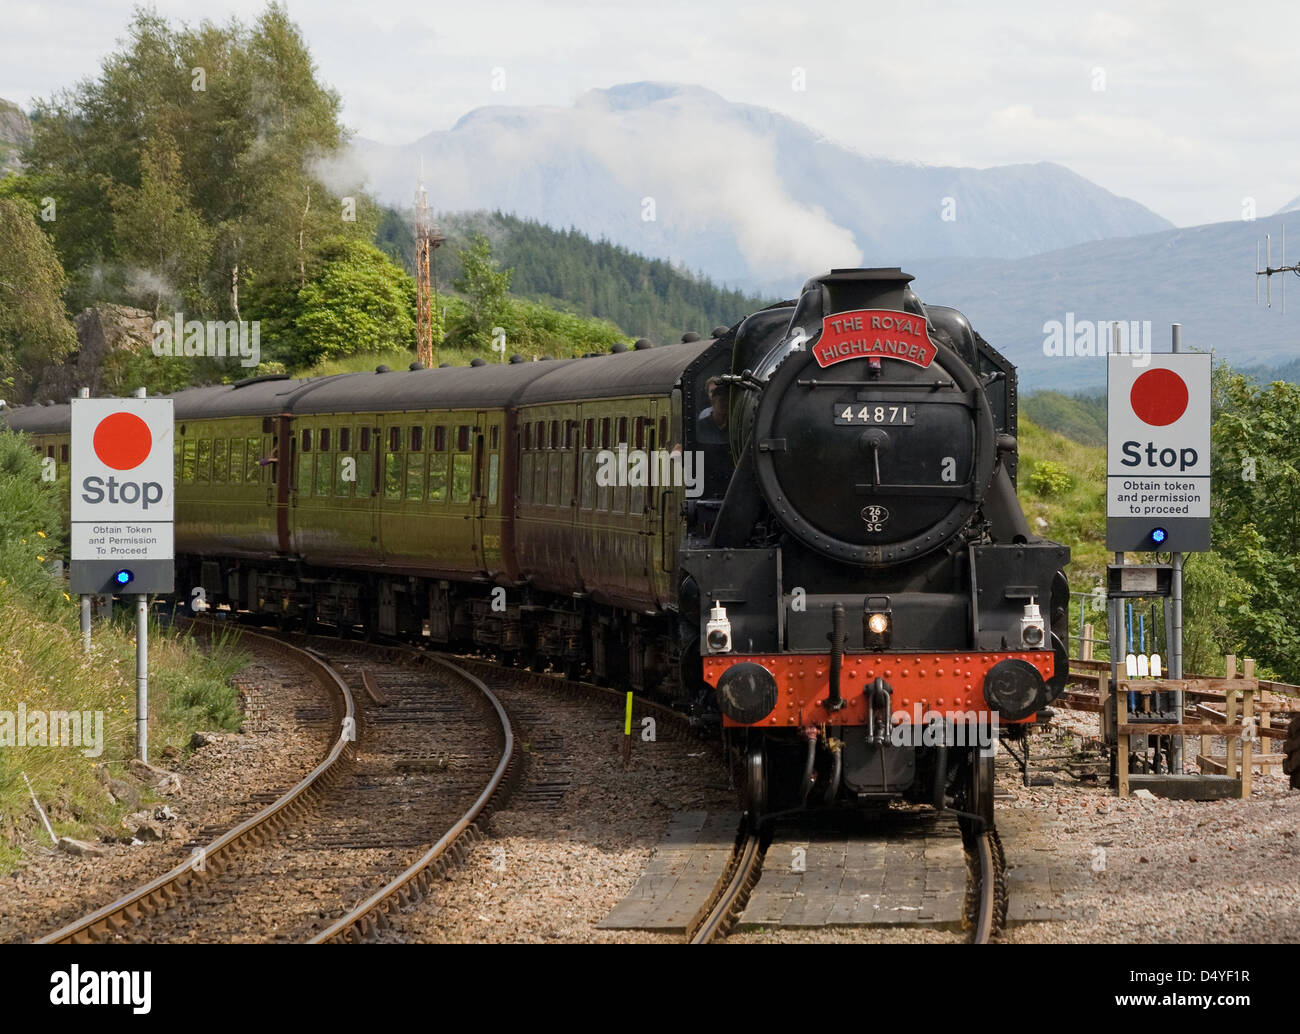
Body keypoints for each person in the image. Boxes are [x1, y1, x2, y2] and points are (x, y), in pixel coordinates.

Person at [696, 377, 729, 445]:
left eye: (726, 400)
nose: (725, 403)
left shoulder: (734, 422)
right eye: (712, 391)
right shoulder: (702, 421)